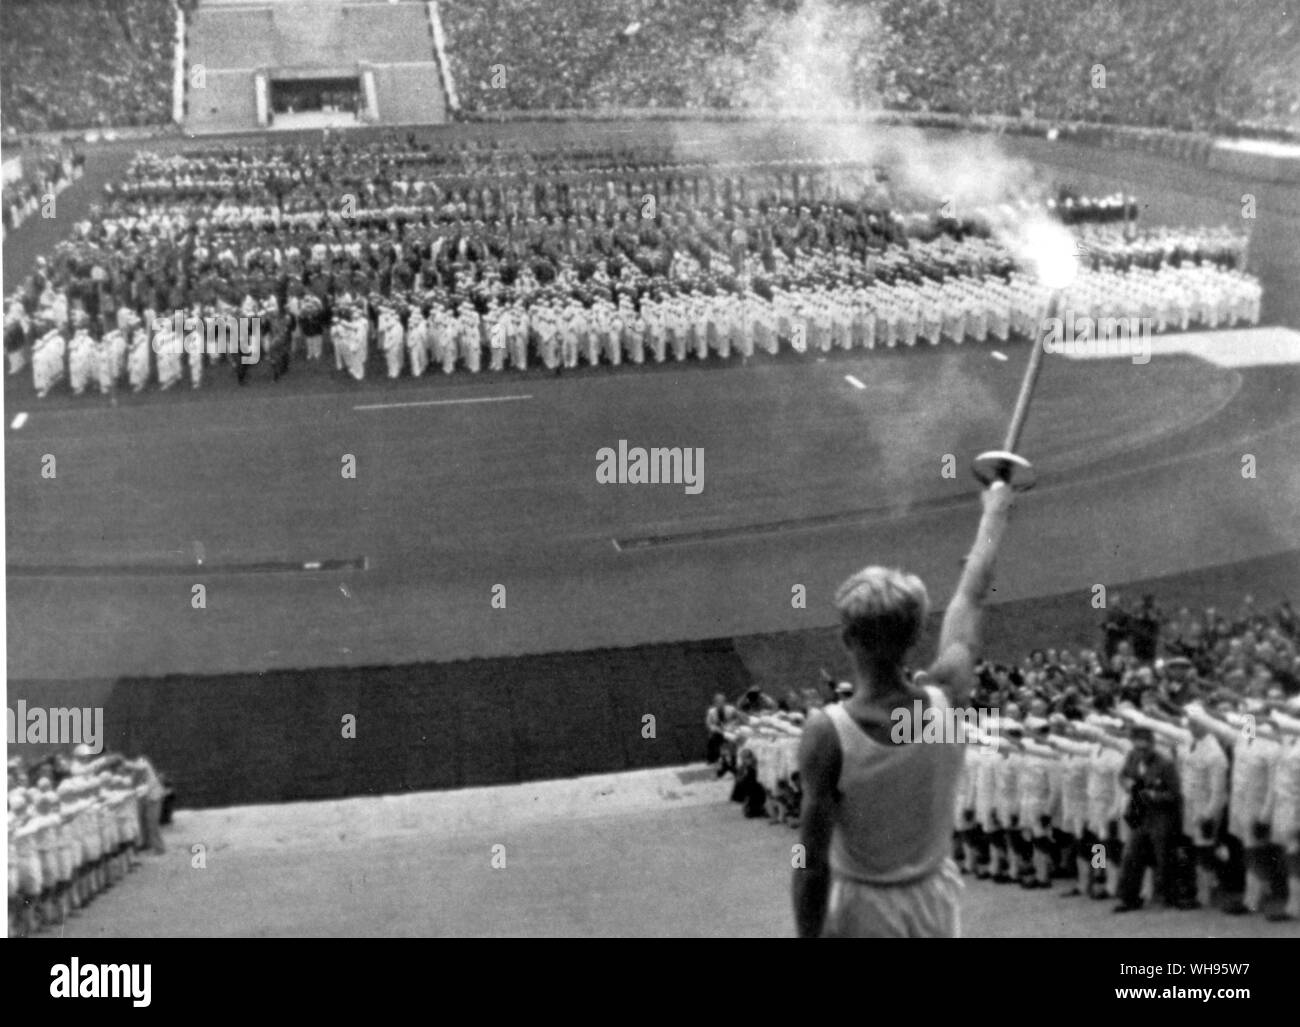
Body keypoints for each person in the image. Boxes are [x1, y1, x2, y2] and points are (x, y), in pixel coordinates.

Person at [792, 478, 1015, 938]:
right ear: (915, 637)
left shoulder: (827, 733)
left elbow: (811, 864)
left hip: (862, 909)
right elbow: (973, 594)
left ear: (847, 638)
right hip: (934, 901)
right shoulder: (949, 694)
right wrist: (994, 511)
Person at [1114, 725, 1186, 911]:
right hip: (1139, 812)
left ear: (1153, 745)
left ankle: (1170, 896)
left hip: (1160, 814)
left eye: (1145, 748)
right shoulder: (1132, 758)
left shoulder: (1165, 764)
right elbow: (1122, 776)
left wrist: (1154, 795)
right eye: (1138, 748)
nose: (1141, 752)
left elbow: (1175, 794)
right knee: (1132, 855)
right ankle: (1129, 898)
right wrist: (1129, 785)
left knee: (1164, 856)